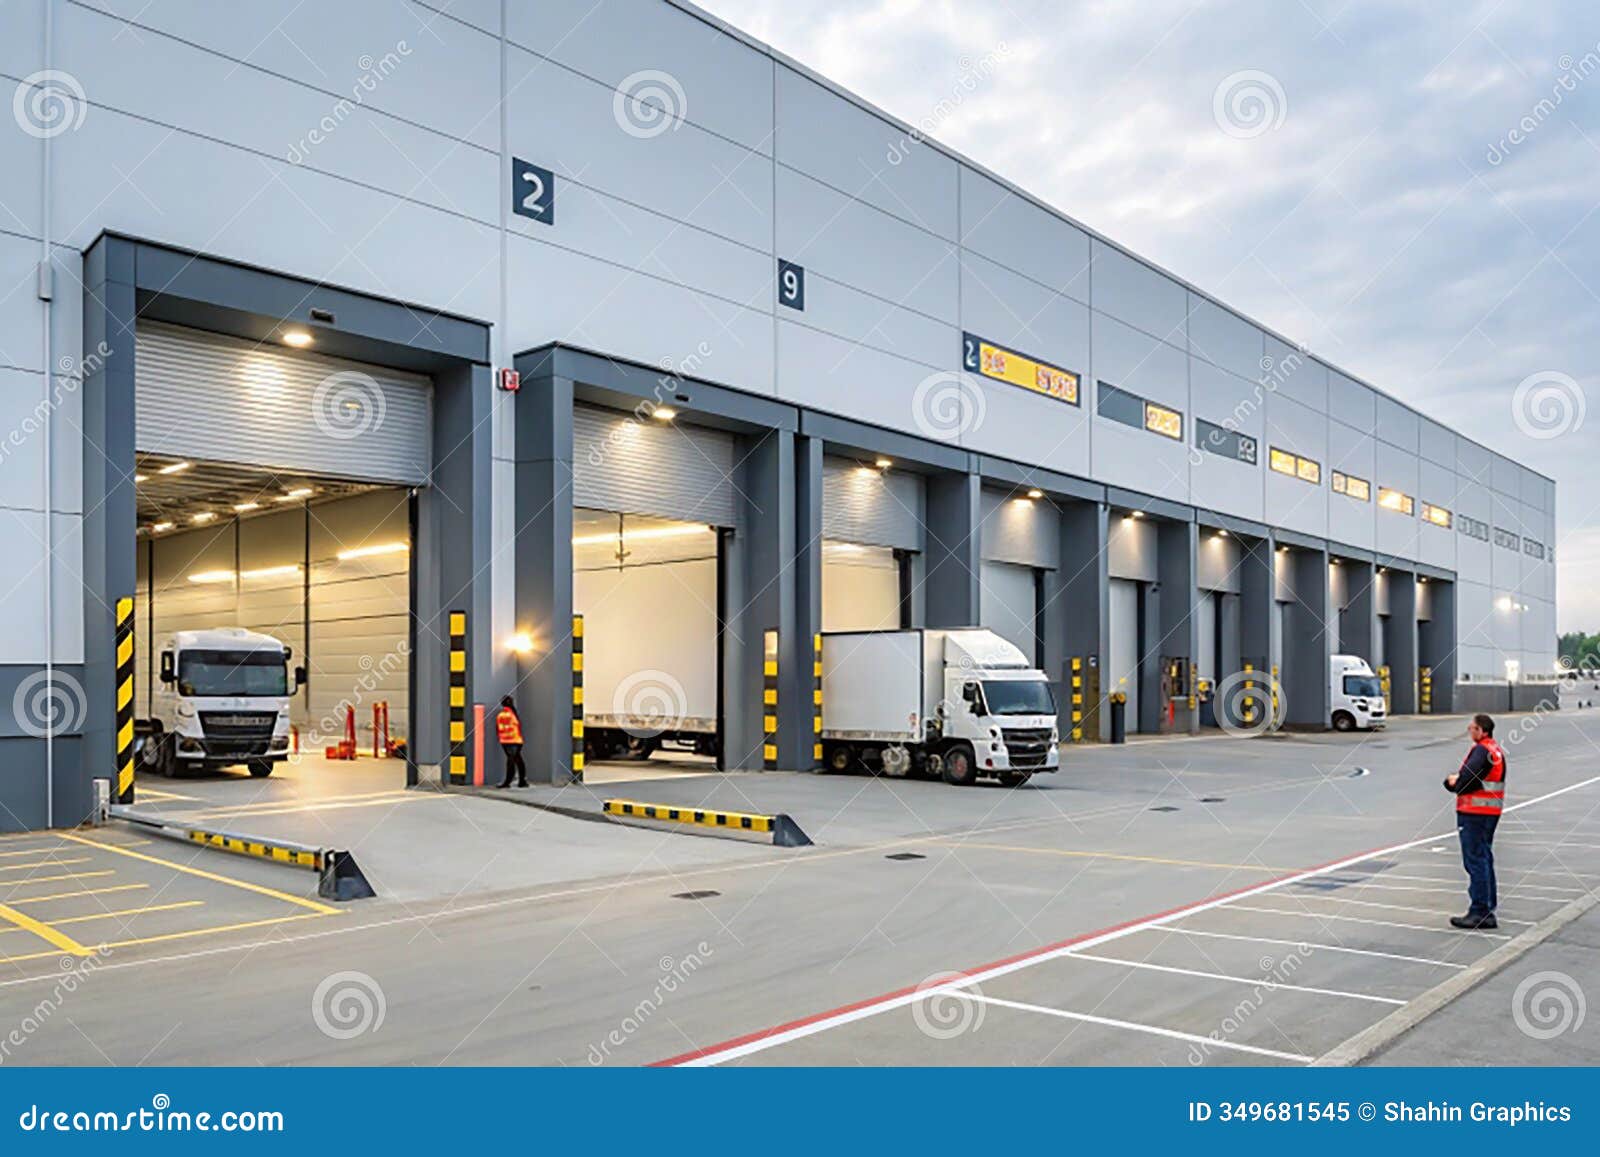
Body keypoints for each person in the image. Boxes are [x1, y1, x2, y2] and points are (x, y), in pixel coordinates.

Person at [1444, 712, 1505, 929]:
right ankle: (1487, 909)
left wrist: (1453, 781)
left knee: (1475, 861)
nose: (1469, 731)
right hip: (1489, 814)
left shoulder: (1481, 751)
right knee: (1484, 858)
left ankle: (1479, 911)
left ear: (1481, 730)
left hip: (1475, 813)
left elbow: (1466, 781)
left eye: (1471, 728)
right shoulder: (1495, 751)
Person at [496, 695, 527, 789]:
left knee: (511, 762)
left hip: (506, 741)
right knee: (518, 760)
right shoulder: (513, 713)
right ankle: (522, 781)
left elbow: (498, 728)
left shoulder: (502, 715)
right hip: (516, 740)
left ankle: (507, 782)